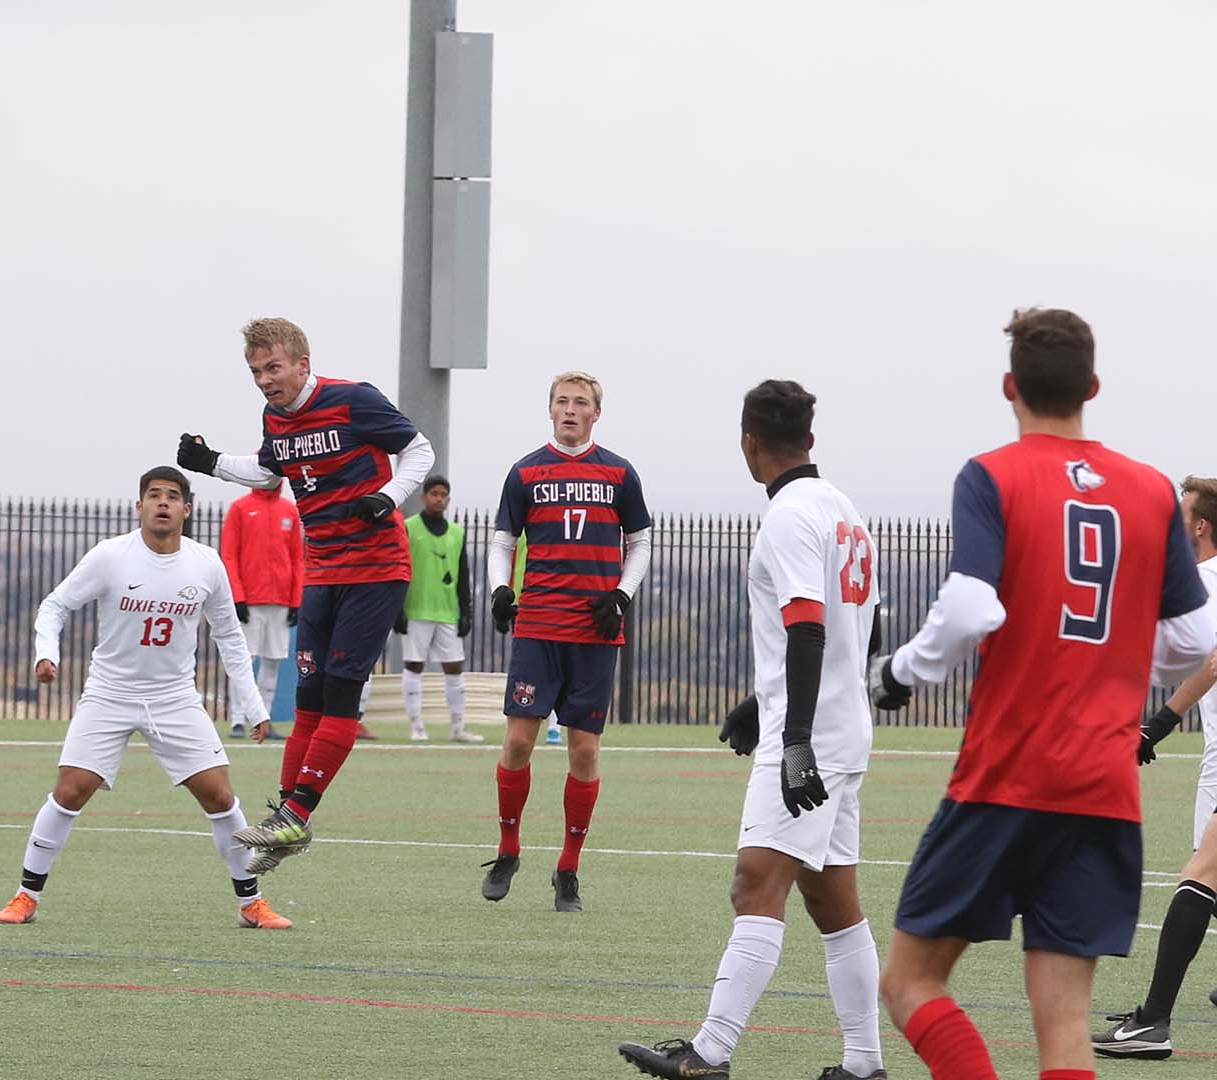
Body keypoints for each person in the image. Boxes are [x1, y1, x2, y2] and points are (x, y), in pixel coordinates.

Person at [871, 309, 1213, 1080]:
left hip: (1008, 774)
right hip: (1103, 786)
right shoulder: (1151, 489)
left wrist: (900, 673)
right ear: (1092, 386)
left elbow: (967, 610)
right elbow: (1193, 641)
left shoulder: (991, 474)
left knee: (911, 979)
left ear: (1008, 386)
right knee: (1062, 1025)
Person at [619, 381, 886, 1080]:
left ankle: (709, 1053)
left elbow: (806, 627)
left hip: (813, 737)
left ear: (749, 442)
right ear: (810, 439)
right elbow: (865, 627)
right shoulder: (843, 510)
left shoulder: (790, 515)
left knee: (754, 885)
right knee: (833, 900)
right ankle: (864, 1064)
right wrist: (759, 703)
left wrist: (791, 735)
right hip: (843, 726)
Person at [176, 316, 434, 872]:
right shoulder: (275, 417)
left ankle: (295, 813)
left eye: (273, 368)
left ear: (301, 363)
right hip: (321, 570)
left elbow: (419, 450)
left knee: (339, 693)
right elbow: (271, 474)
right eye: (256, 371)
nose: (266, 380)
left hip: (375, 569)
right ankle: (289, 819)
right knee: (310, 701)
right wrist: (211, 462)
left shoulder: (353, 400)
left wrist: (388, 498)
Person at [0, 467, 290, 930]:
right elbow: (55, 605)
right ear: (140, 507)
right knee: (70, 791)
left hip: (174, 697)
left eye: (172, 496)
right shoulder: (111, 557)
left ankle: (252, 903)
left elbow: (230, 636)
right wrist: (45, 654)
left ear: (187, 509)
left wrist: (255, 707)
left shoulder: (206, 563)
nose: (163, 503)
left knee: (220, 795)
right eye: (154, 496)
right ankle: (24, 896)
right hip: (110, 692)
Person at [482, 371, 652, 911]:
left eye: (581, 403)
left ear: (596, 413)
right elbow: (504, 538)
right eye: (562, 402)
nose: (571, 410)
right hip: (538, 625)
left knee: (583, 750)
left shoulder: (620, 473)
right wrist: (500, 589)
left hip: (595, 631)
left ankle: (568, 868)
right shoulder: (526, 471)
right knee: (517, 744)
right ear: (550, 410)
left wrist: (621, 596)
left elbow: (641, 540)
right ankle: (509, 848)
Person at [1090, 475, 1217, 1061]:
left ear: (1199, 526)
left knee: (1204, 873)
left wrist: (1157, 723)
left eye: (1180, 514)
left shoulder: (1206, 583)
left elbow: (1210, 663)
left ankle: (1153, 1022)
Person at [395, 474, 482, 743]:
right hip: (417, 610)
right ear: (424, 497)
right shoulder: (409, 528)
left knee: (455, 667)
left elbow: (463, 576)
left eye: (443, 494)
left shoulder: (457, 533)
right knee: (413, 667)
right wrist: (398, 608)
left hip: (447, 612)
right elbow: (399, 568)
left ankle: (458, 727)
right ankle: (417, 725)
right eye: (434, 494)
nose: (438, 499)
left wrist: (466, 612)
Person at [219, 482, 303, 738]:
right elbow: (229, 555)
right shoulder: (240, 508)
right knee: (244, 661)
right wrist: (238, 597)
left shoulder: (290, 510)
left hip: (280, 601)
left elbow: (298, 558)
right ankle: (237, 719)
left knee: (273, 661)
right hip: (251, 600)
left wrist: (296, 599)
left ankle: (264, 718)